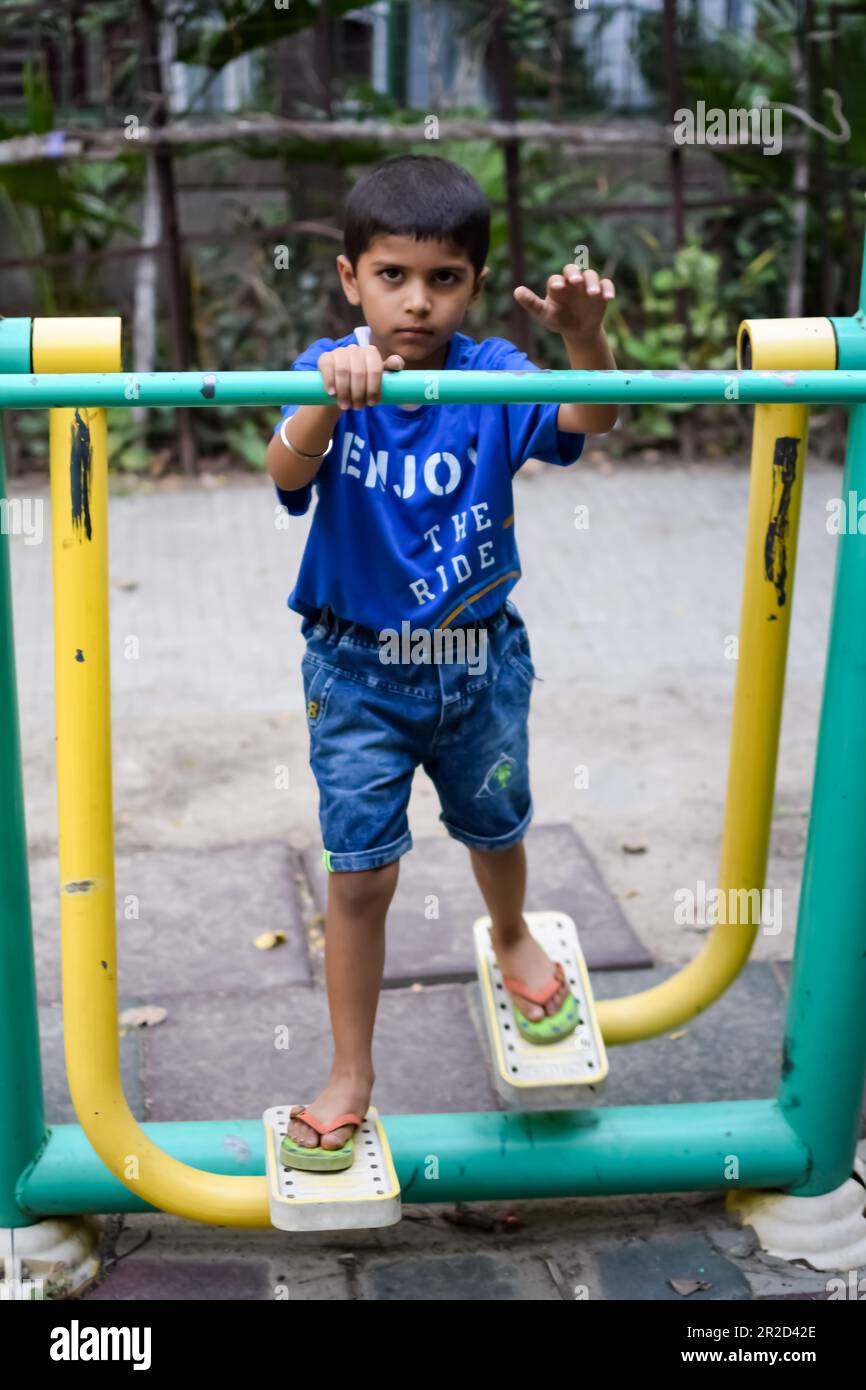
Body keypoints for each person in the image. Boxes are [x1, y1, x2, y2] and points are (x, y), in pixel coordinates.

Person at [265, 154, 617, 1172]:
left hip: (475, 663)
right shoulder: (324, 368)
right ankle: (349, 1072)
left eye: (443, 278)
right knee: (360, 872)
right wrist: (332, 400)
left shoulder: (493, 375)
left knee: (494, 823)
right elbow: (283, 466)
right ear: (348, 278)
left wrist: (583, 339)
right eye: (390, 276)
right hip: (356, 671)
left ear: (470, 285)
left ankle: (508, 932)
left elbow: (589, 417)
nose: (414, 301)